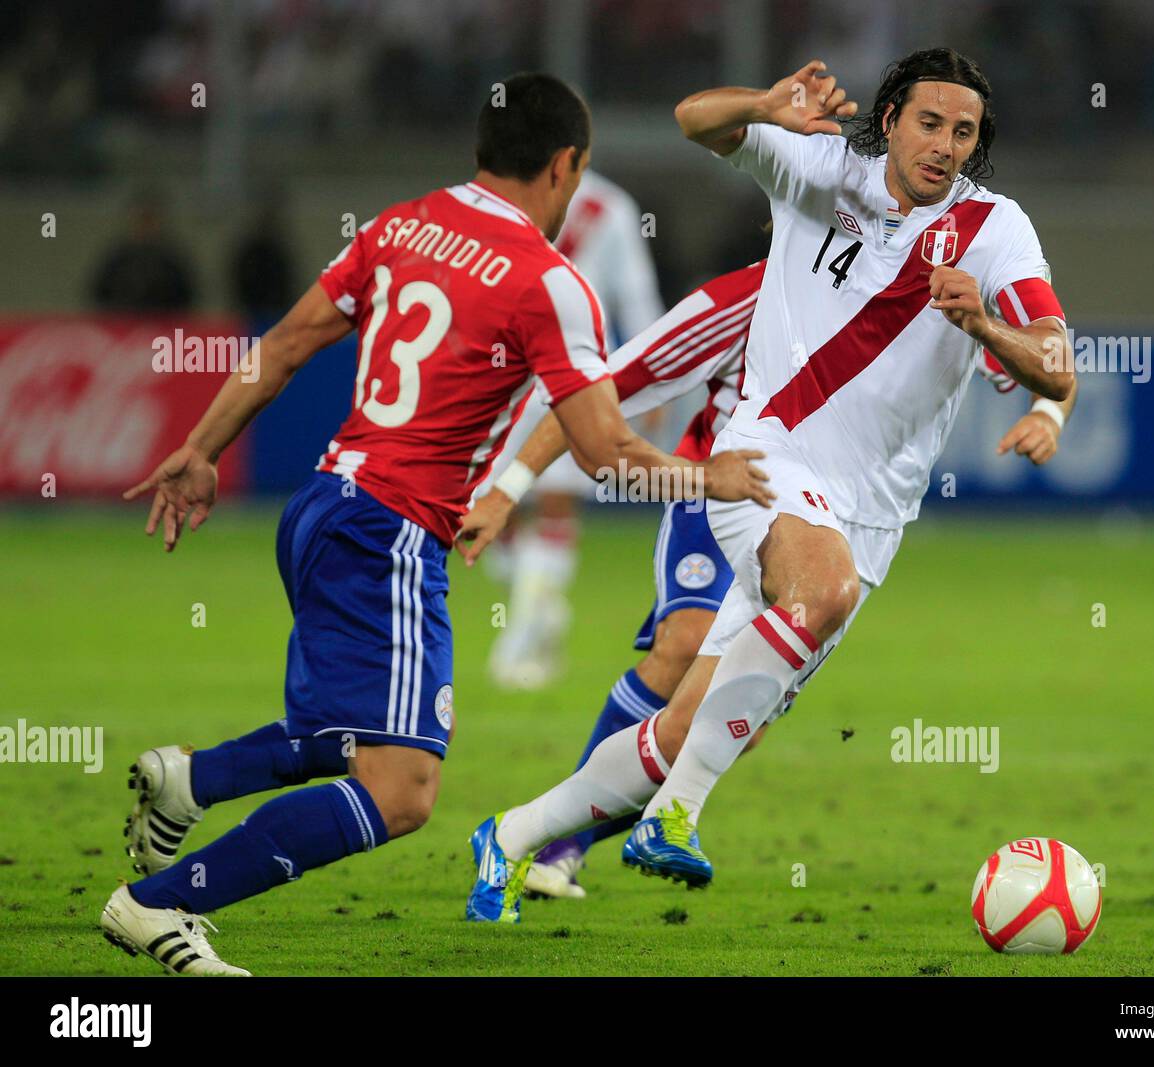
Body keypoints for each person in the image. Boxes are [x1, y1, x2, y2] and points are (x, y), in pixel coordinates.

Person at [98, 72, 771, 975]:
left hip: (322, 507)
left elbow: (288, 342)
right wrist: (708, 473)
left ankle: (195, 779)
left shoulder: (397, 225)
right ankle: (160, 903)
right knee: (403, 787)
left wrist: (201, 449)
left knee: (353, 732)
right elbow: (609, 450)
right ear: (567, 164)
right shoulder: (548, 278)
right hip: (392, 532)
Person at [463, 48, 1077, 916]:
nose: (944, 144)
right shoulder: (823, 166)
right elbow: (693, 119)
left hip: (873, 517)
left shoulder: (997, 231)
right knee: (795, 602)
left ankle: (518, 835)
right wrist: (766, 104)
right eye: (929, 122)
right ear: (892, 118)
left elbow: (1057, 363)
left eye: (964, 132)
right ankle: (675, 815)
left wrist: (987, 325)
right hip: (764, 463)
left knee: (690, 726)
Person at [482, 169, 666, 690]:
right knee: (529, 504)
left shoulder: (502, 198)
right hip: (570, 372)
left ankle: (520, 634)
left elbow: (635, 293)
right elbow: (636, 294)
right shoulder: (612, 206)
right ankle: (538, 599)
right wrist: (653, 376)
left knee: (509, 500)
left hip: (522, 371)